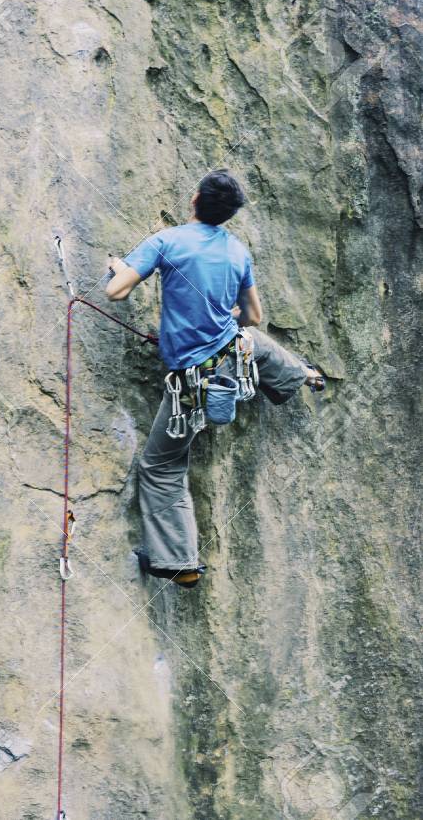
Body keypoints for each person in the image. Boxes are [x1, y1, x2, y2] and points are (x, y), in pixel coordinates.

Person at [104, 169, 325, 588]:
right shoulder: (238, 251)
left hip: (193, 380)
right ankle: (302, 376)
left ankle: (181, 564)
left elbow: (116, 292)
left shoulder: (167, 241)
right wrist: (222, 315)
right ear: (227, 215)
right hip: (233, 356)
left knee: (161, 466)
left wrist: (120, 267)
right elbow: (254, 316)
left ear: (194, 199)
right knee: (251, 338)